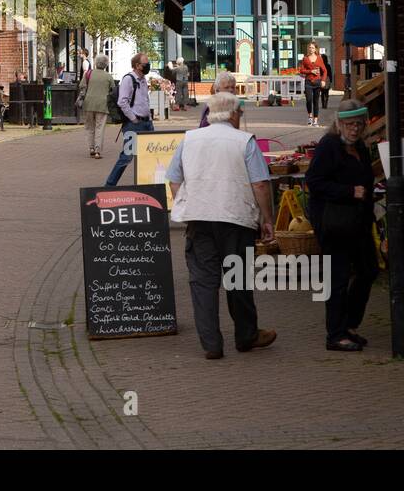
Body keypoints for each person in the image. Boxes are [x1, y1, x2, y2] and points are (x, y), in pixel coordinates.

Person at [166, 93, 277, 359]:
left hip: (200, 218)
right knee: (237, 280)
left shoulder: (190, 139)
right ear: (232, 114)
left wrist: (187, 202)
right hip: (236, 219)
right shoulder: (244, 141)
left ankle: (211, 343)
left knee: (203, 282)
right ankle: (246, 335)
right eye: (239, 112)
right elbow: (260, 184)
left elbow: (173, 178)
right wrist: (267, 219)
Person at [304, 99, 378, 352]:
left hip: (358, 223)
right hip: (334, 222)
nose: (354, 129)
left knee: (369, 270)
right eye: (349, 124)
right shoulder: (329, 147)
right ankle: (335, 334)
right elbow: (313, 182)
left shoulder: (361, 147)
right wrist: (348, 191)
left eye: (358, 124)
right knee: (338, 277)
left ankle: (349, 324)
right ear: (338, 124)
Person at [105, 52, 154, 186]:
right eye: (145, 63)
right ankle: (109, 186)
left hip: (146, 123)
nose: (148, 65)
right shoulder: (129, 79)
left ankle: (148, 185)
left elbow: (144, 100)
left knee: (149, 155)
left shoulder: (143, 79)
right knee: (127, 156)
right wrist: (133, 119)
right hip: (134, 124)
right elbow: (122, 102)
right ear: (137, 65)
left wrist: (149, 118)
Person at [79, 54, 114, 159]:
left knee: (89, 127)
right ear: (106, 65)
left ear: (95, 63)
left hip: (88, 103)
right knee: (100, 127)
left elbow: (81, 86)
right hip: (102, 105)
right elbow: (113, 89)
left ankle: (91, 148)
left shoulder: (88, 73)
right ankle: (98, 151)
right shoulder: (108, 76)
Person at [299, 41, 329, 127]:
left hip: (317, 82)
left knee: (316, 101)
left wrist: (323, 80)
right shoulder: (305, 58)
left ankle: (315, 120)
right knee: (309, 100)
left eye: (312, 48)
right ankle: (310, 116)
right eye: (309, 47)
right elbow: (301, 70)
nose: (311, 49)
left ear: (315, 49)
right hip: (308, 82)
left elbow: (325, 70)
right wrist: (310, 71)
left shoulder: (319, 58)